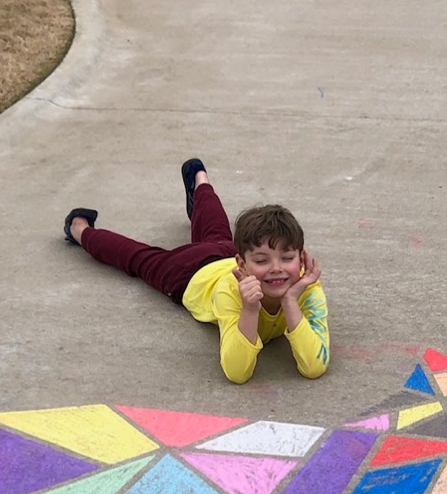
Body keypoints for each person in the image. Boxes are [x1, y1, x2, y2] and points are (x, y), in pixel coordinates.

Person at [64, 159, 329, 384]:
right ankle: (79, 229)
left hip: (225, 252)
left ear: (301, 258)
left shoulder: (306, 287)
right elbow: (237, 373)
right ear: (244, 264)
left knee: (216, 230)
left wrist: (290, 301)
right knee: (138, 259)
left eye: (287, 257)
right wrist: (250, 309)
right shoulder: (231, 290)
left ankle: (200, 179)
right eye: (263, 260)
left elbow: (314, 366)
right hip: (190, 272)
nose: (277, 269)